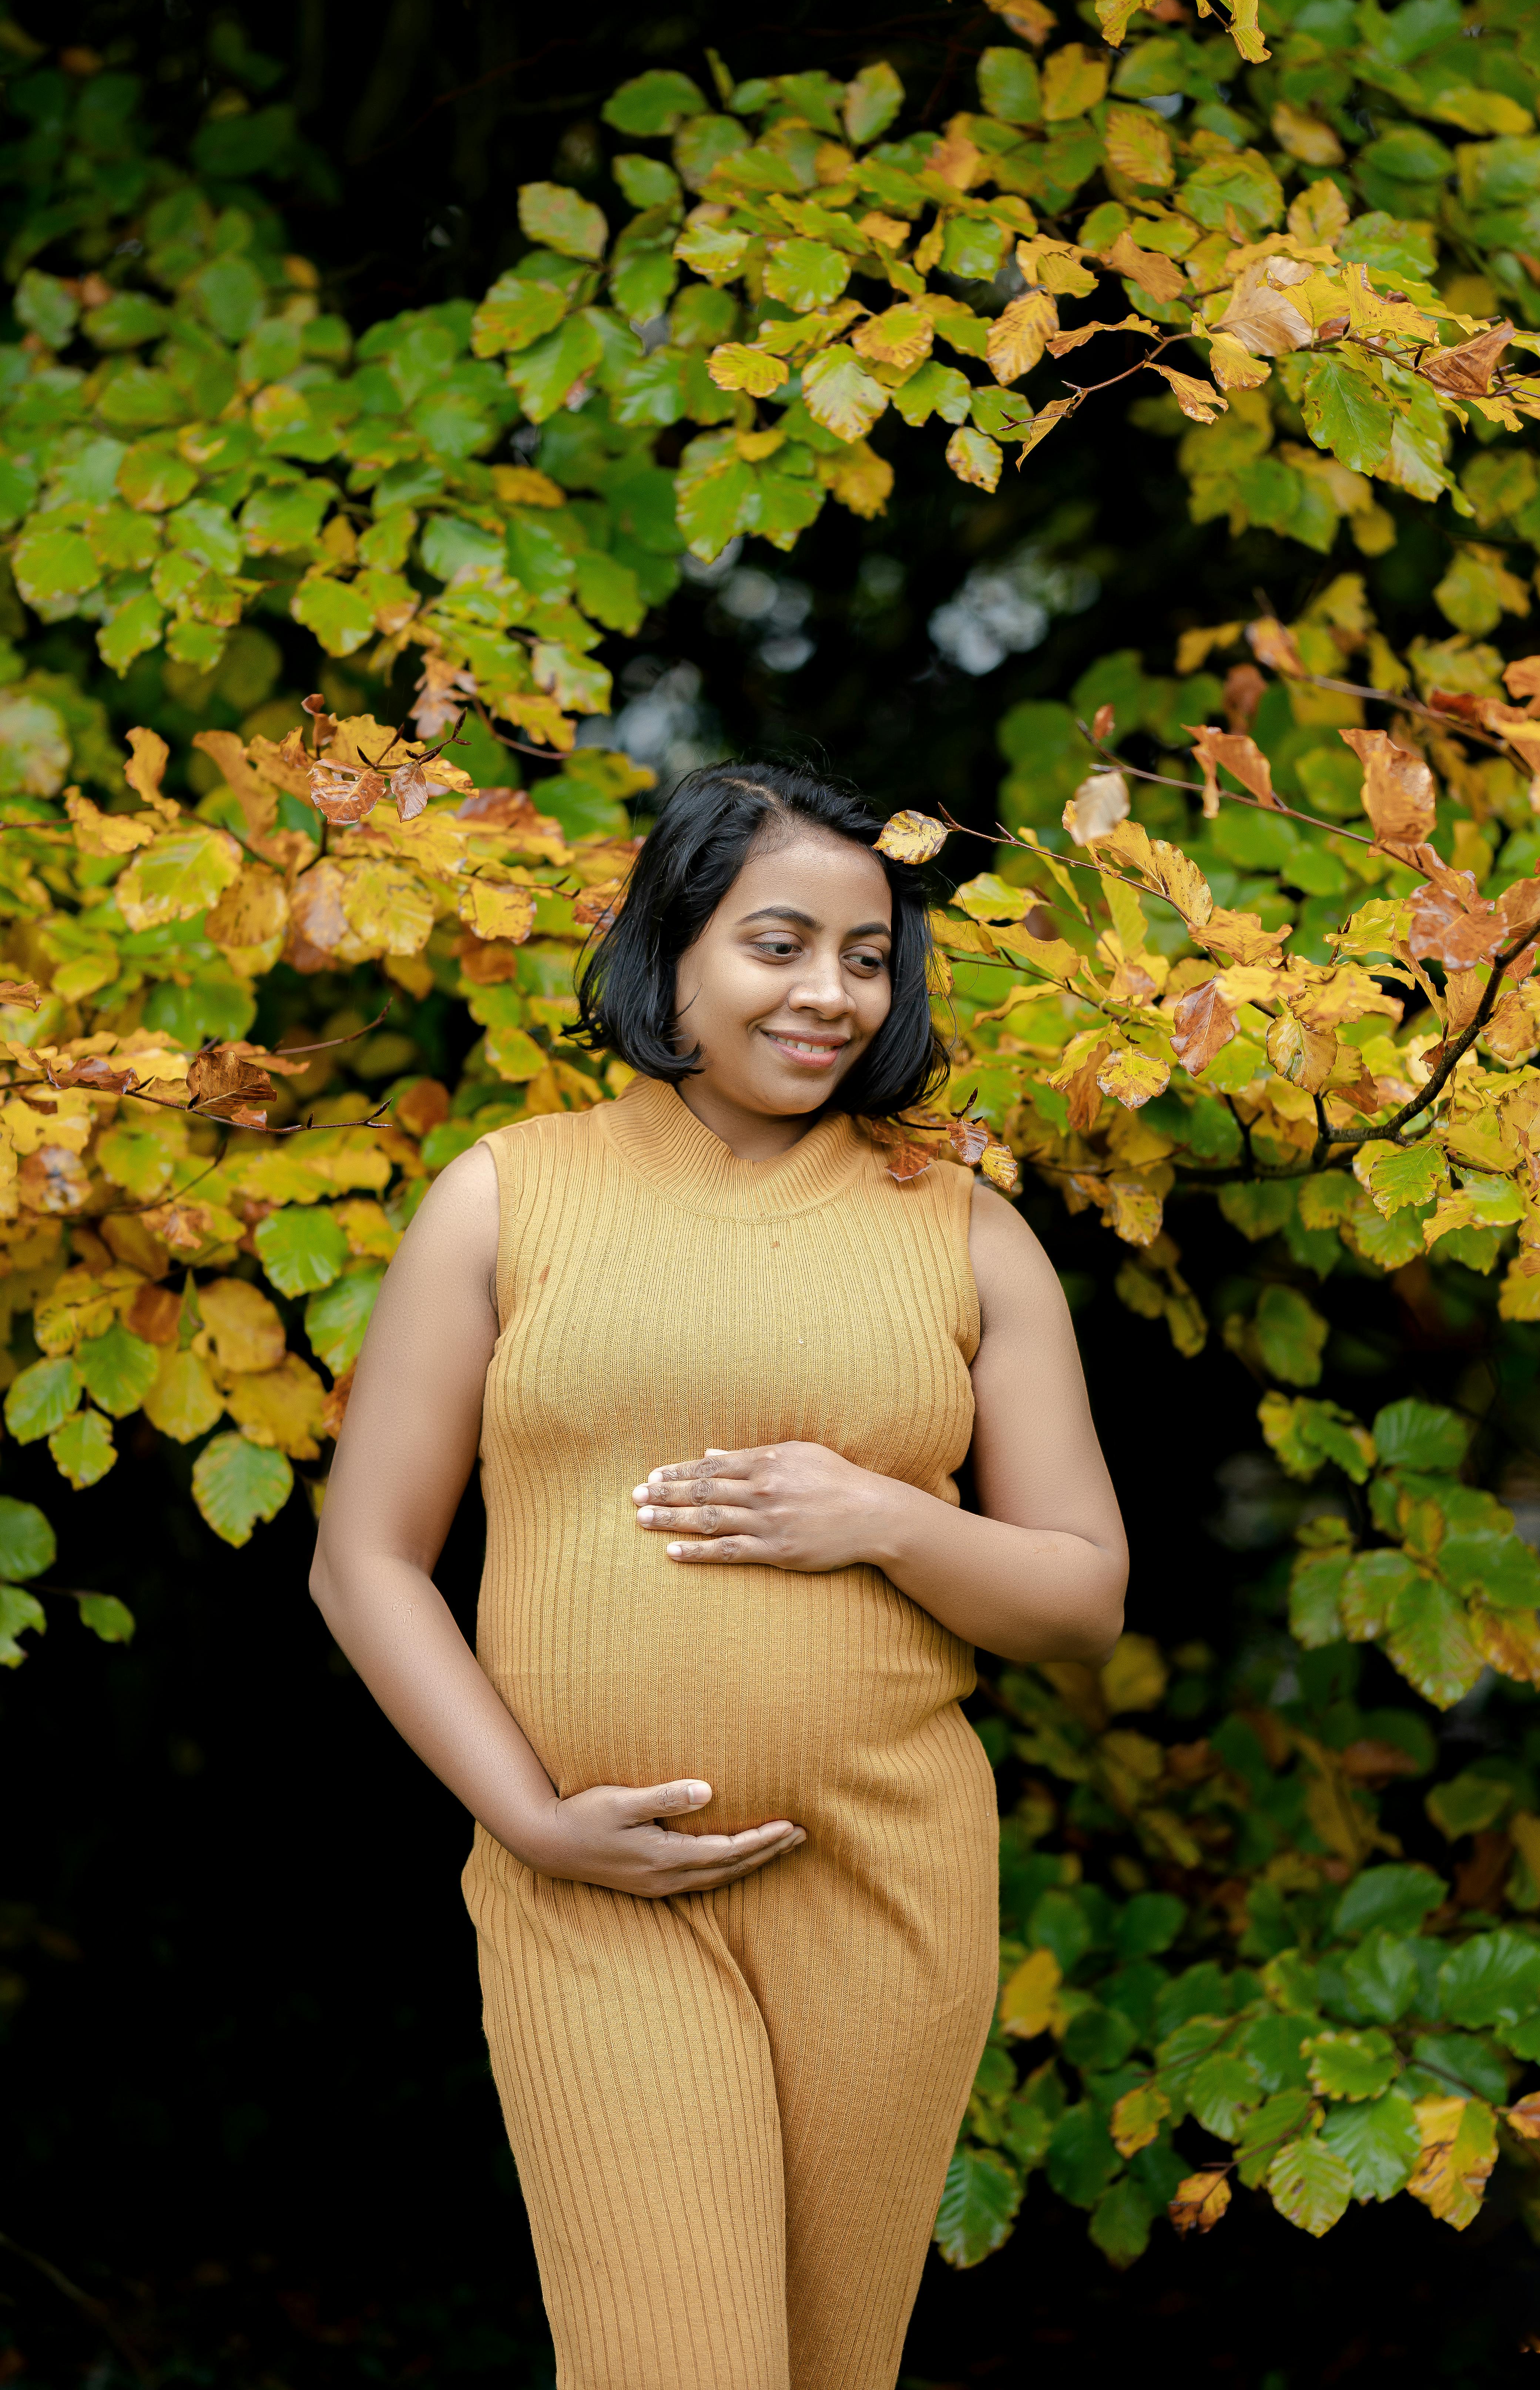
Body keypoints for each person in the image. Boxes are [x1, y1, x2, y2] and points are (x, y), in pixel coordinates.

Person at [309, 760, 1128, 2390]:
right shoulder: (508, 1195)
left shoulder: (960, 1231)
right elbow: (366, 1562)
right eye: (778, 943)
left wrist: (883, 1517)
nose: (828, 993)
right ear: (673, 947)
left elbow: (1081, 1598)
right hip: (594, 1894)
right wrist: (532, 1822)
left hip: (886, 1895)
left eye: (867, 954)